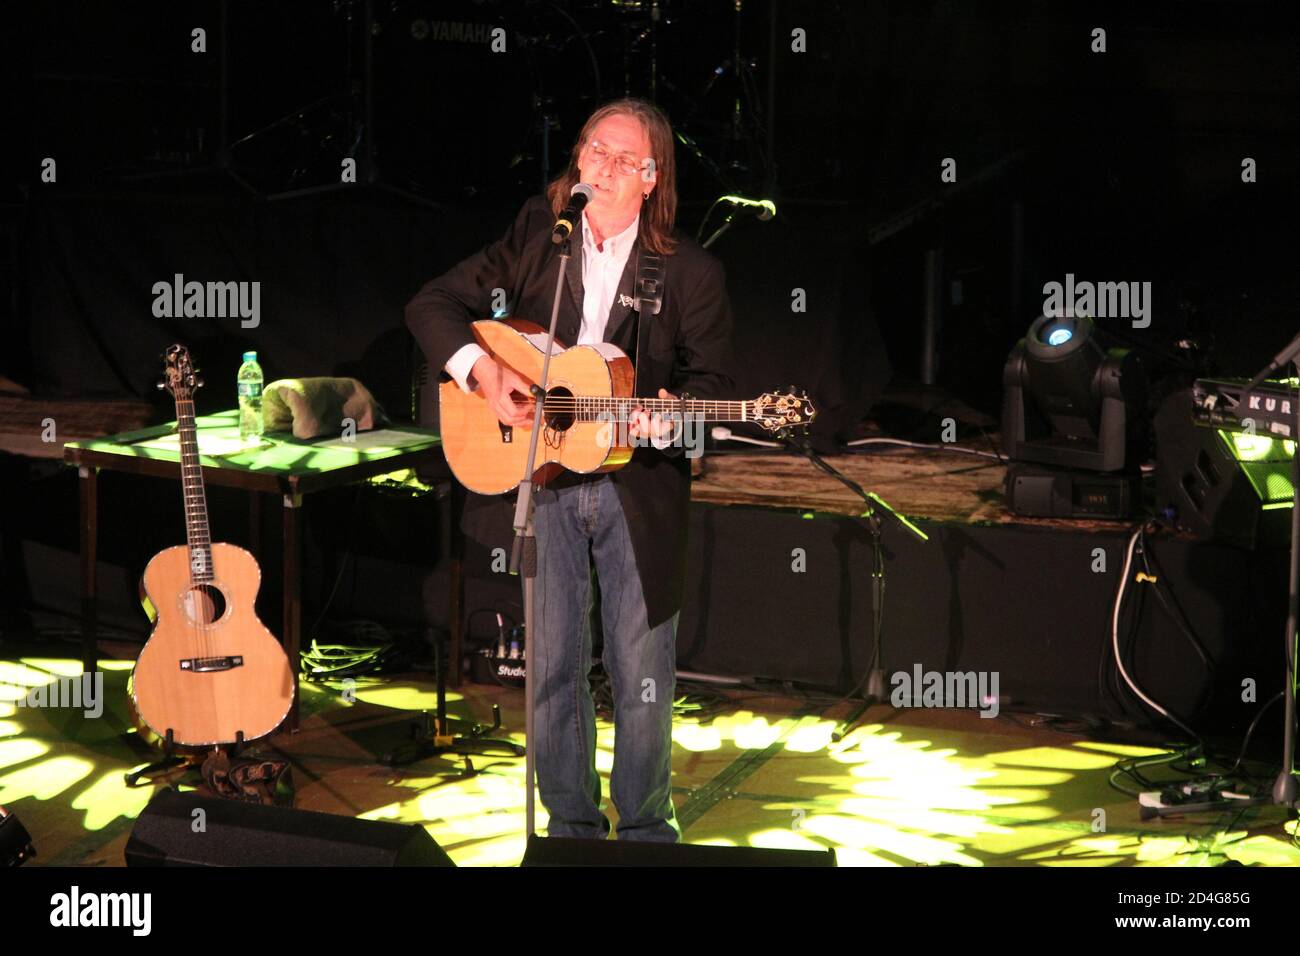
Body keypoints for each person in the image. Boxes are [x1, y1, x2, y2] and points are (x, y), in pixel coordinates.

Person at [405, 98, 734, 842]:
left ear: (653, 179)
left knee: (638, 674)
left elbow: (711, 387)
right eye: (596, 152)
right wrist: (482, 372)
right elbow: (432, 305)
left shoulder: (691, 273)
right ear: (577, 160)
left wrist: (671, 413)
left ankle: (648, 832)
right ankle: (569, 832)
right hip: (543, 476)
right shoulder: (538, 234)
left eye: (626, 161)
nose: (606, 170)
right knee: (551, 664)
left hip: (637, 486)